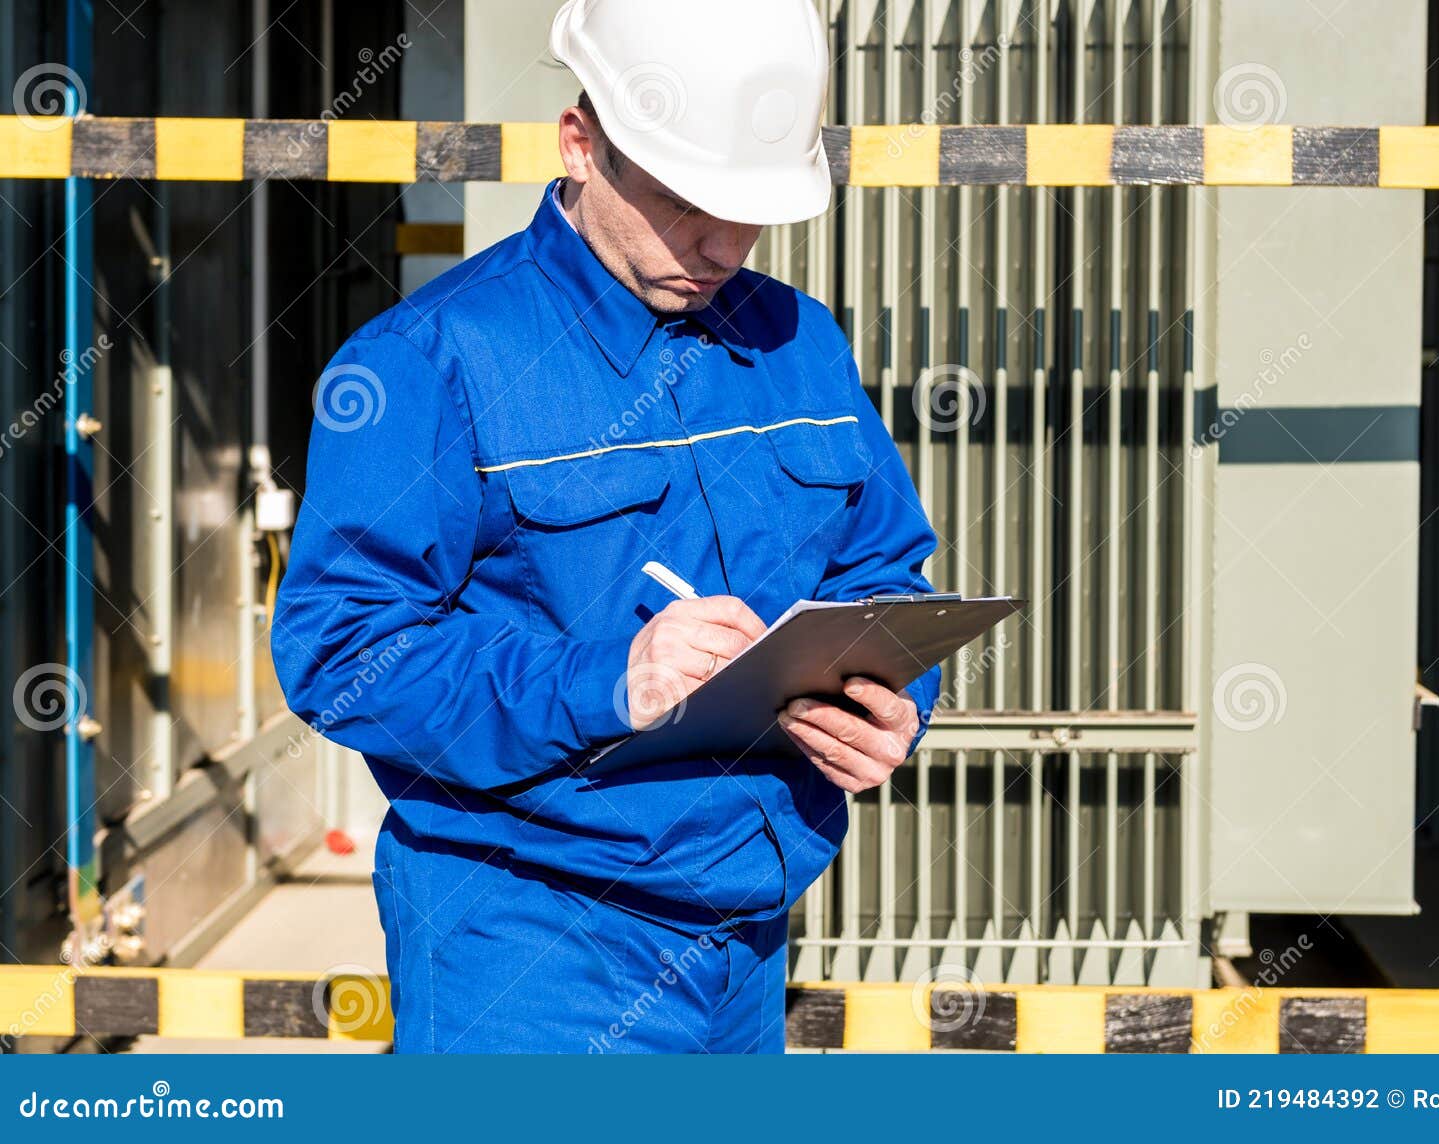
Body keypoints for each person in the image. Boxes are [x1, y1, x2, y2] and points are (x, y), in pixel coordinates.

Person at [271, 0, 941, 1054]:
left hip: (748, 934)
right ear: (580, 144)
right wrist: (608, 681)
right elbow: (341, 653)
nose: (721, 247)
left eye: (751, 212)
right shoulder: (430, 359)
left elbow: (882, 570)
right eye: (684, 204)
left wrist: (891, 699)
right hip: (528, 946)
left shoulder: (799, 341)